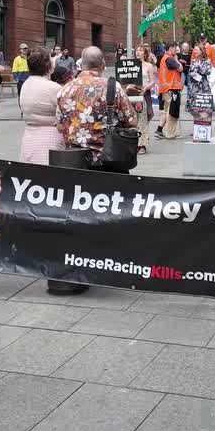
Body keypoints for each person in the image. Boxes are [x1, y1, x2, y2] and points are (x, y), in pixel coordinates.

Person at [51, 47, 138, 295]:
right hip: (106, 161)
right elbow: (130, 121)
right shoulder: (111, 87)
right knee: (113, 210)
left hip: (74, 162)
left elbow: (59, 125)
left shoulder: (64, 89)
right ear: (101, 64)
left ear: (80, 64)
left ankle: (83, 259)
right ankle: (110, 261)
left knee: (80, 212)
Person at [19, 48, 64, 163]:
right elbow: (64, 115)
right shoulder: (53, 88)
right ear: (47, 65)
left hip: (29, 136)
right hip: (50, 138)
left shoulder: (25, 84)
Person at [186, 38, 215, 142]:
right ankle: (197, 129)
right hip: (193, 87)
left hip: (203, 87)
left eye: (196, 50)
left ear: (201, 51)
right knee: (195, 110)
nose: (194, 51)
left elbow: (206, 72)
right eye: (194, 50)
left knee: (204, 110)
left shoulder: (207, 61)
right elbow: (191, 72)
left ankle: (205, 129)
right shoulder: (193, 61)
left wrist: (198, 65)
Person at [155, 43, 183, 140]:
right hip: (171, 88)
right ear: (171, 48)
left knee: (165, 111)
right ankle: (170, 133)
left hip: (164, 89)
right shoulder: (170, 59)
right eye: (176, 48)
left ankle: (159, 130)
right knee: (171, 112)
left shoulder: (163, 58)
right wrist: (176, 59)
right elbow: (180, 68)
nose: (177, 50)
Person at [136, 45, 158, 152]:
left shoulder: (149, 66)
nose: (138, 52)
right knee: (133, 120)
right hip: (133, 95)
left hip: (144, 95)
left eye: (140, 51)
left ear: (144, 54)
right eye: (137, 50)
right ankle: (134, 142)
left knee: (142, 119)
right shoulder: (132, 65)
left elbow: (153, 81)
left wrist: (146, 88)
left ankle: (142, 144)